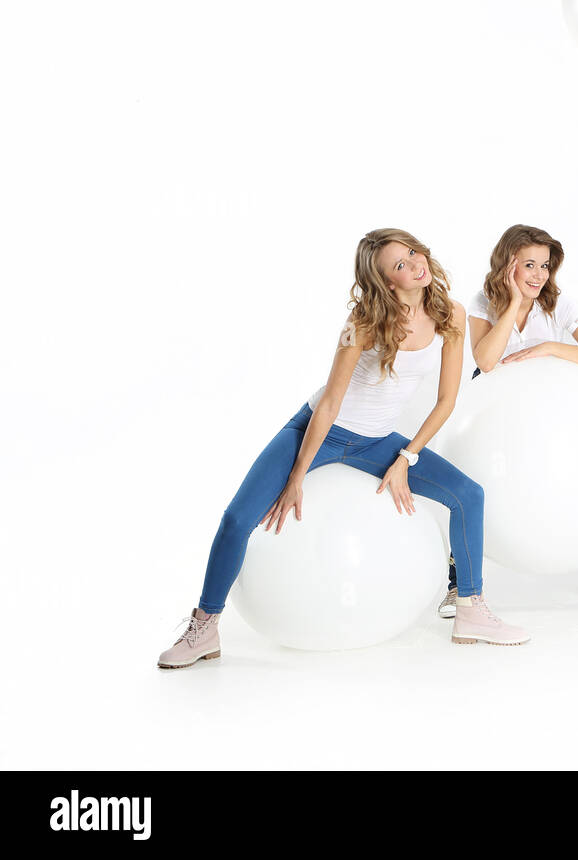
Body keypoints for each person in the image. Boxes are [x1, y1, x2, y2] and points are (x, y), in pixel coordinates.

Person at [158, 229, 529, 668]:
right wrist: (298, 475)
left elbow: (447, 400)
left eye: (413, 253)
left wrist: (406, 458)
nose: (415, 265)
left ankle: (470, 611)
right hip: (317, 430)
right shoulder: (365, 322)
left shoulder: (450, 314)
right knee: (239, 517)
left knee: (469, 495)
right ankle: (205, 626)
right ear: (388, 282)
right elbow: (331, 402)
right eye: (400, 265)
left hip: (378, 442)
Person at [435, 224, 578, 618]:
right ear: (507, 264)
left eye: (544, 266)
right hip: (494, 418)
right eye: (529, 265)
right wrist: (511, 304)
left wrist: (548, 347)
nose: (538, 275)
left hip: (550, 413)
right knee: (476, 486)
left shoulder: (558, 304)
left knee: (577, 480)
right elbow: (486, 361)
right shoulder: (482, 303)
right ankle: (460, 587)